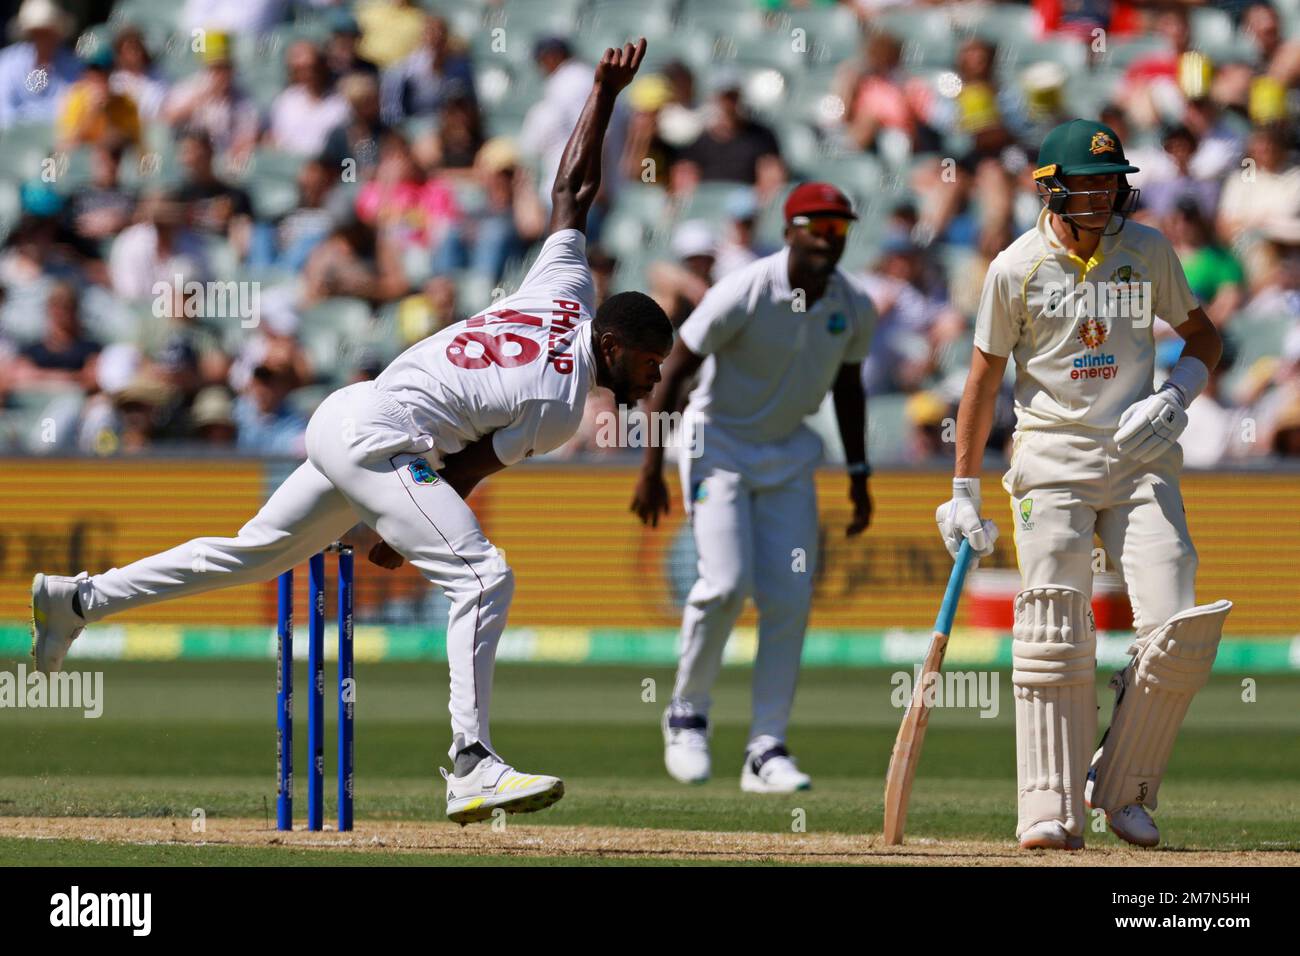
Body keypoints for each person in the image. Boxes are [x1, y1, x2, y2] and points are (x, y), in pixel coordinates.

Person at [30, 39, 670, 828]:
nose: (653, 380)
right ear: (612, 346)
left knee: (250, 555)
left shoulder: (566, 286)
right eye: (648, 363)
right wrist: (395, 535)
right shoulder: (564, 401)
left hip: (345, 413)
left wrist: (602, 94)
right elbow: (466, 466)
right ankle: (471, 764)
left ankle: (79, 599)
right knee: (481, 577)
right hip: (381, 439)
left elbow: (571, 188)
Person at [941, 119, 1229, 852]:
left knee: (1176, 629)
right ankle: (1047, 803)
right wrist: (964, 489)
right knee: (1054, 628)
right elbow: (982, 380)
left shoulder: (1148, 249)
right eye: (1089, 182)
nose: (1103, 195)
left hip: (1140, 458)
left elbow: (1204, 336)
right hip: (1050, 461)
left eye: (1111, 180)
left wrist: (1176, 396)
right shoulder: (1015, 268)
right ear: (1052, 188)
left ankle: (1125, 784)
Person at [631, 182, 877, 794]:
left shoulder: (853, 306)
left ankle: (766, 748)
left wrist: (859, 475)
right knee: (726, 583)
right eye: (816, 227)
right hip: (717, 446)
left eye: (839, 229)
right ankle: (686, 713)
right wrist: (650, 465)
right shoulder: (745, 288)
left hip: (789, 454)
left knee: (790, 598)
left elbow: (849, 389)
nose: (827, 239)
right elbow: (679, 364)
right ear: (790, 229)